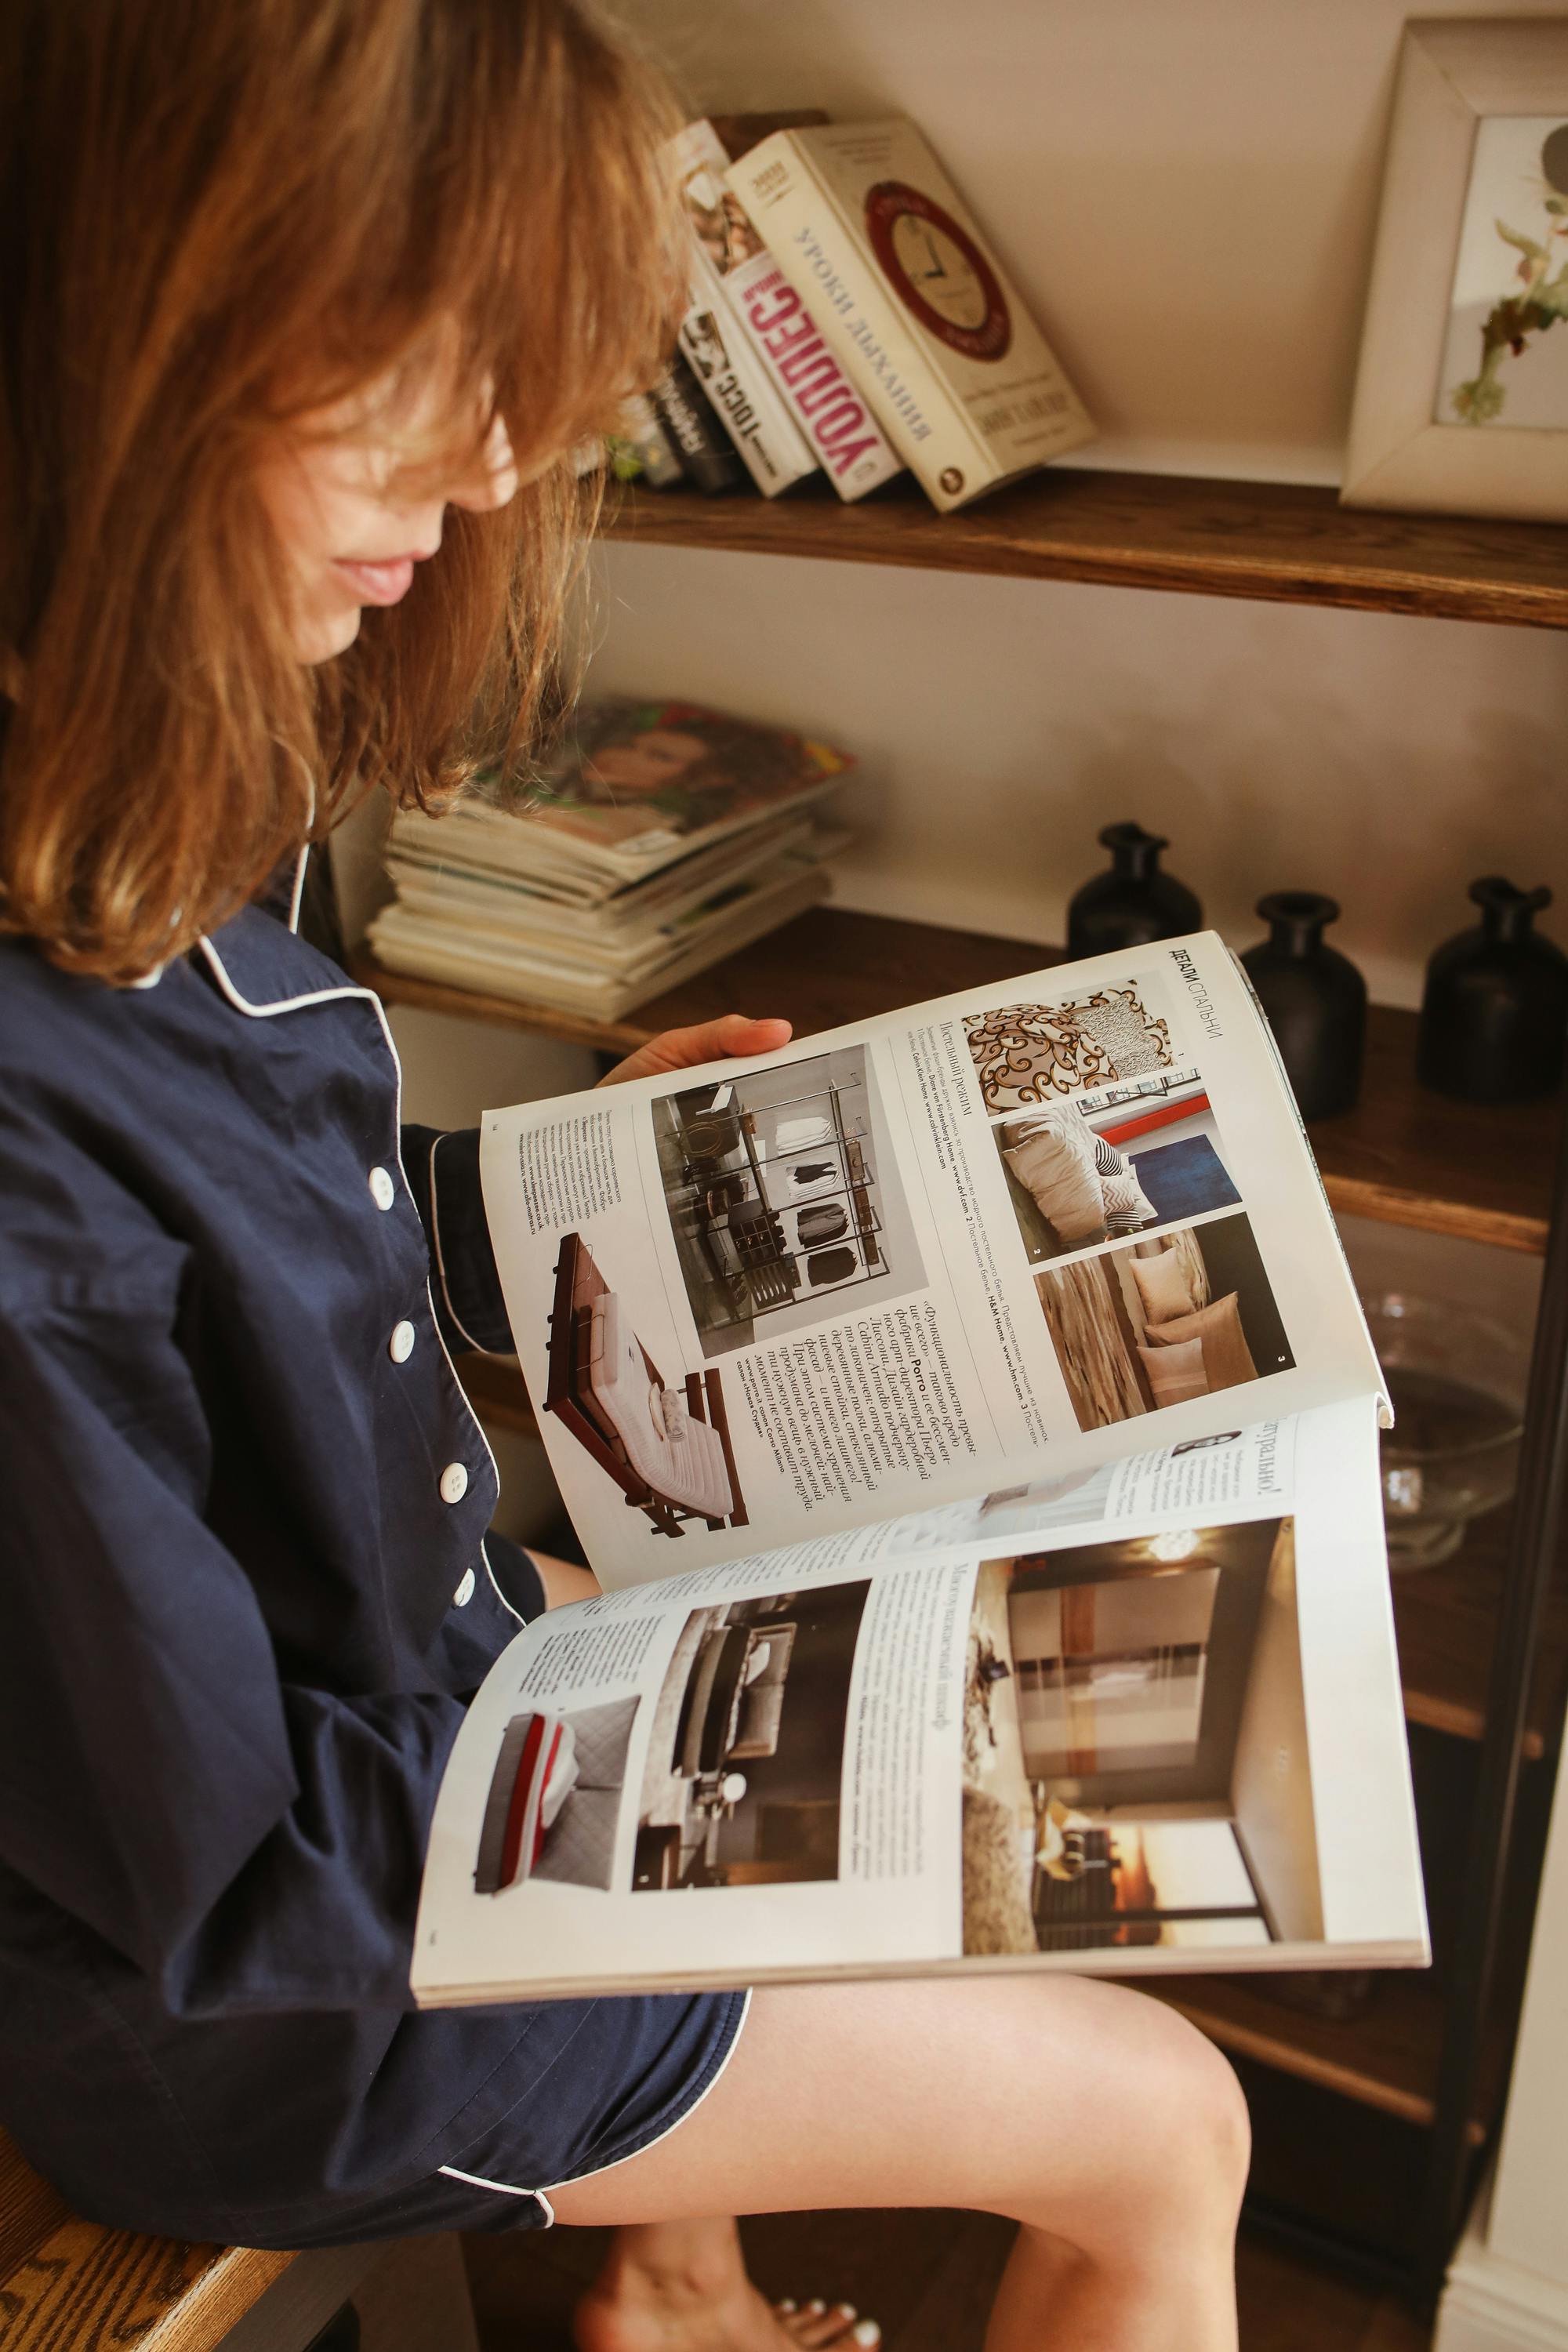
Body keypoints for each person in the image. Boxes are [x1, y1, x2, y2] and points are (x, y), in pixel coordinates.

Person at [0, 5, 1250, 2349]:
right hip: (277, 2004)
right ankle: (664, 2232)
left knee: (866, 1595)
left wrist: (556, 1191)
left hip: (373, 1686)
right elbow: (241, 1873)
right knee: (1171, 2118)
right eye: (413, 355)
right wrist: (814, 1750)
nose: (484, 463)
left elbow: (208, 1240)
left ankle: (665, 2270)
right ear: (130, 313)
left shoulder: (109, 775)